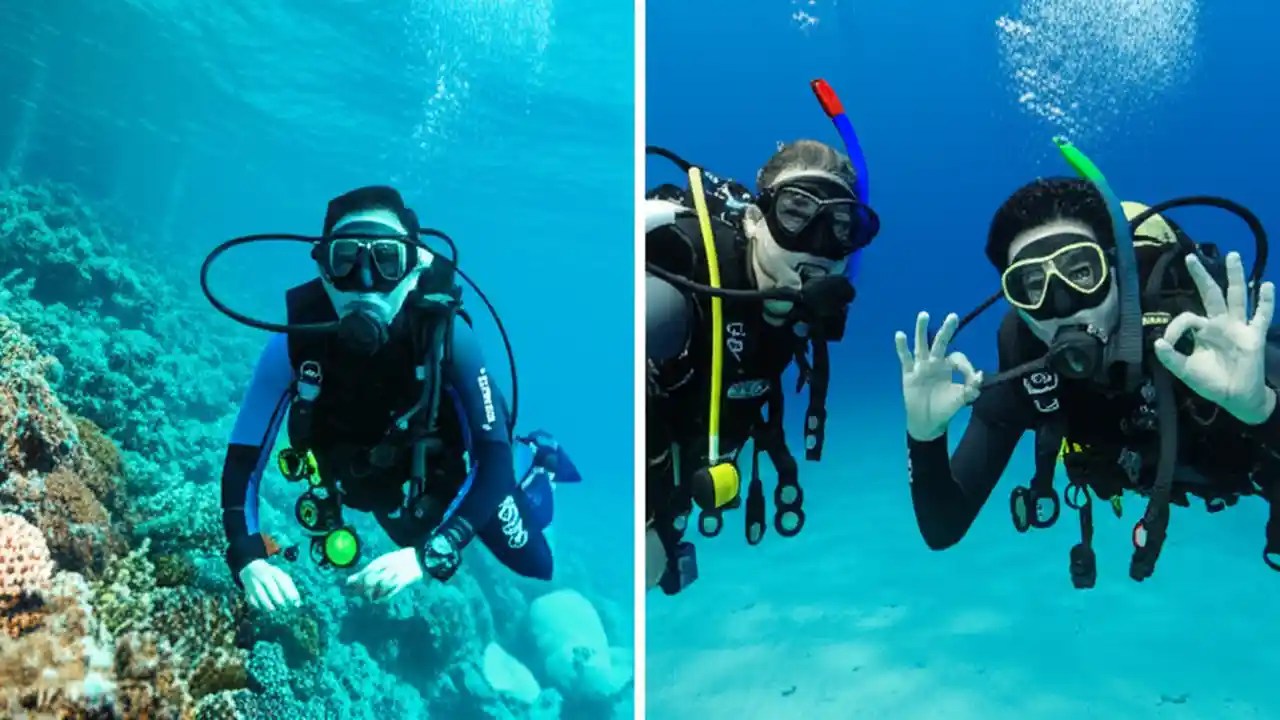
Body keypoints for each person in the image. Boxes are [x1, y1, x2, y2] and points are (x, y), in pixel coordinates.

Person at [895, 164, 1280, 589]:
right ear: (1017, 305)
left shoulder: (1203, 337)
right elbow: (943, 527)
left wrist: (1261, 408)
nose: (1062, 304)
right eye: (1031, 286)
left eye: (1081, 272)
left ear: (1117, 274)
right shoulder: (1026, 370)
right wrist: (924, 435)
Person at [205, 186, 582, 613]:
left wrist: (433, 553)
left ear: (416, 266)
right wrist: (246, 554)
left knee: (534, 561)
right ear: (323, 268)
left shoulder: (449, 341)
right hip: (370, 479)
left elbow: (492, 462)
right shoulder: (292, 349)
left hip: (447, 474)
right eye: (345, 259)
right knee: (402, 529)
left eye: (387, 260)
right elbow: (242, 459)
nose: (365, 282)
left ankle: (543, 465)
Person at [644, 137, 879, 595]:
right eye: (796, 213)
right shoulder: (679, 296)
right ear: (756, 220)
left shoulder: (800, 308)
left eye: (840, 227)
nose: (818, 245)